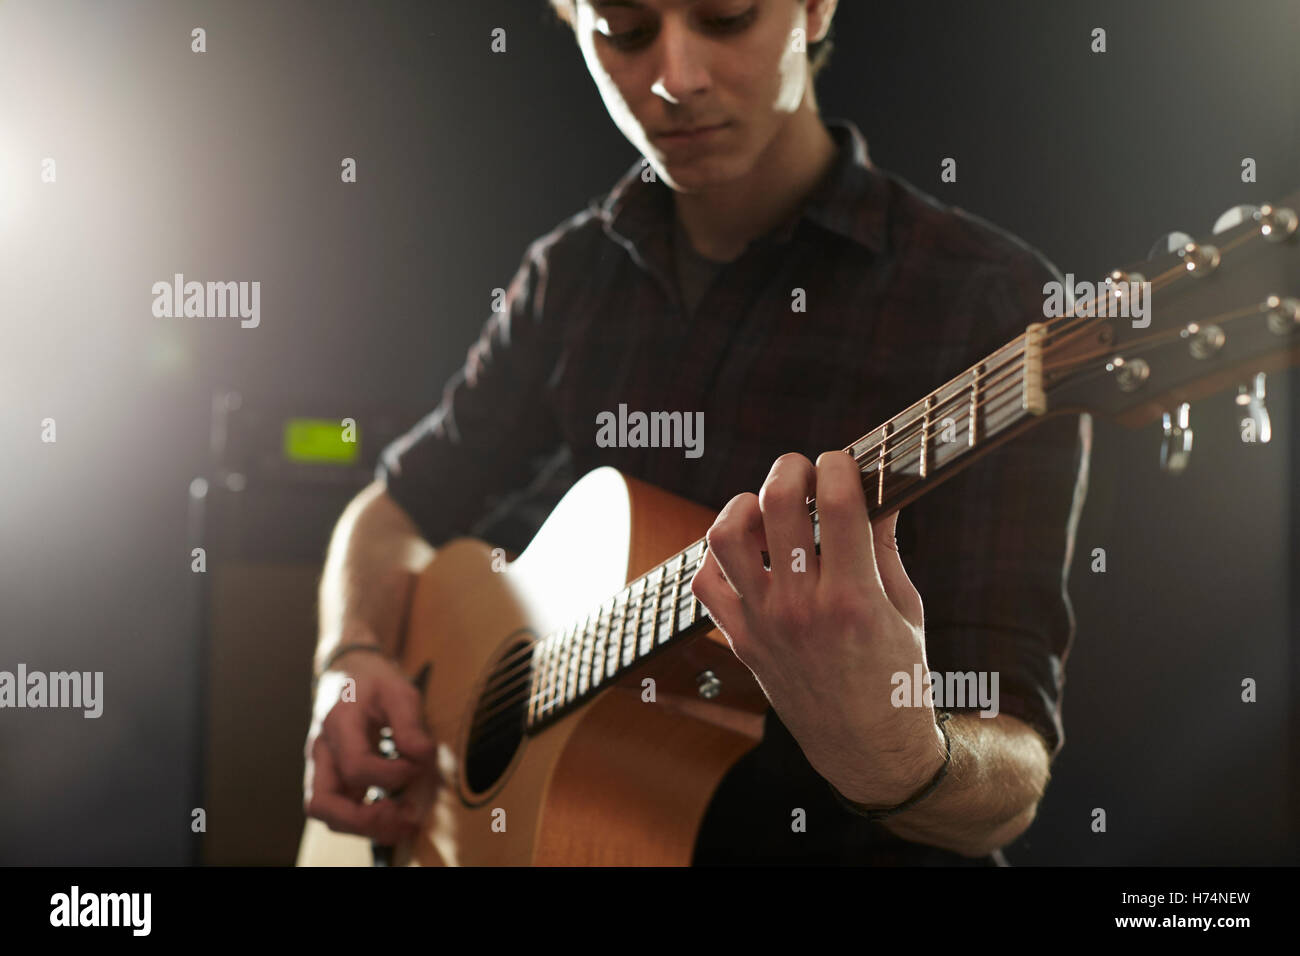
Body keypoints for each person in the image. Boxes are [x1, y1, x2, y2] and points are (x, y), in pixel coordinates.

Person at [303, 0, 1090, 864]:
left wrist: (899, 755)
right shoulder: (568, 280)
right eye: (626, 32)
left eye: (726, 15)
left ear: (816, 8)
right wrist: (350, 656)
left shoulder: (992, 308)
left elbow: (1011, 780)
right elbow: (392, 510)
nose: (675, 80)